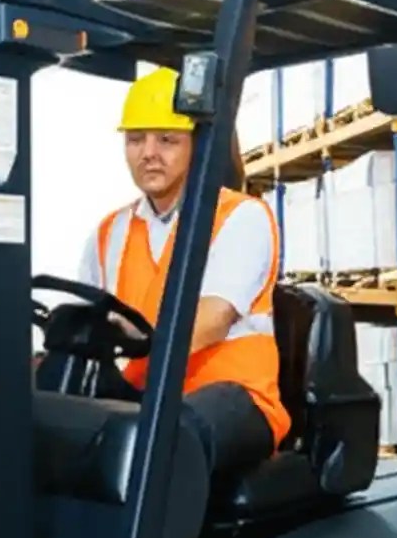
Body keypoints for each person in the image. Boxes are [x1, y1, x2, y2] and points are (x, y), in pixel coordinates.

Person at [74, 66, 290, 478]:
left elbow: (210, 321)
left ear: (197, 145)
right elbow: (87, 316)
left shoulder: (239, 216)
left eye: (167, 140)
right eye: (136, 139)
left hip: (236, 397)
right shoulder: (109, 231)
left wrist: (126, 335)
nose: (148, 153)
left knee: (164, 442)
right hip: (147, 392)